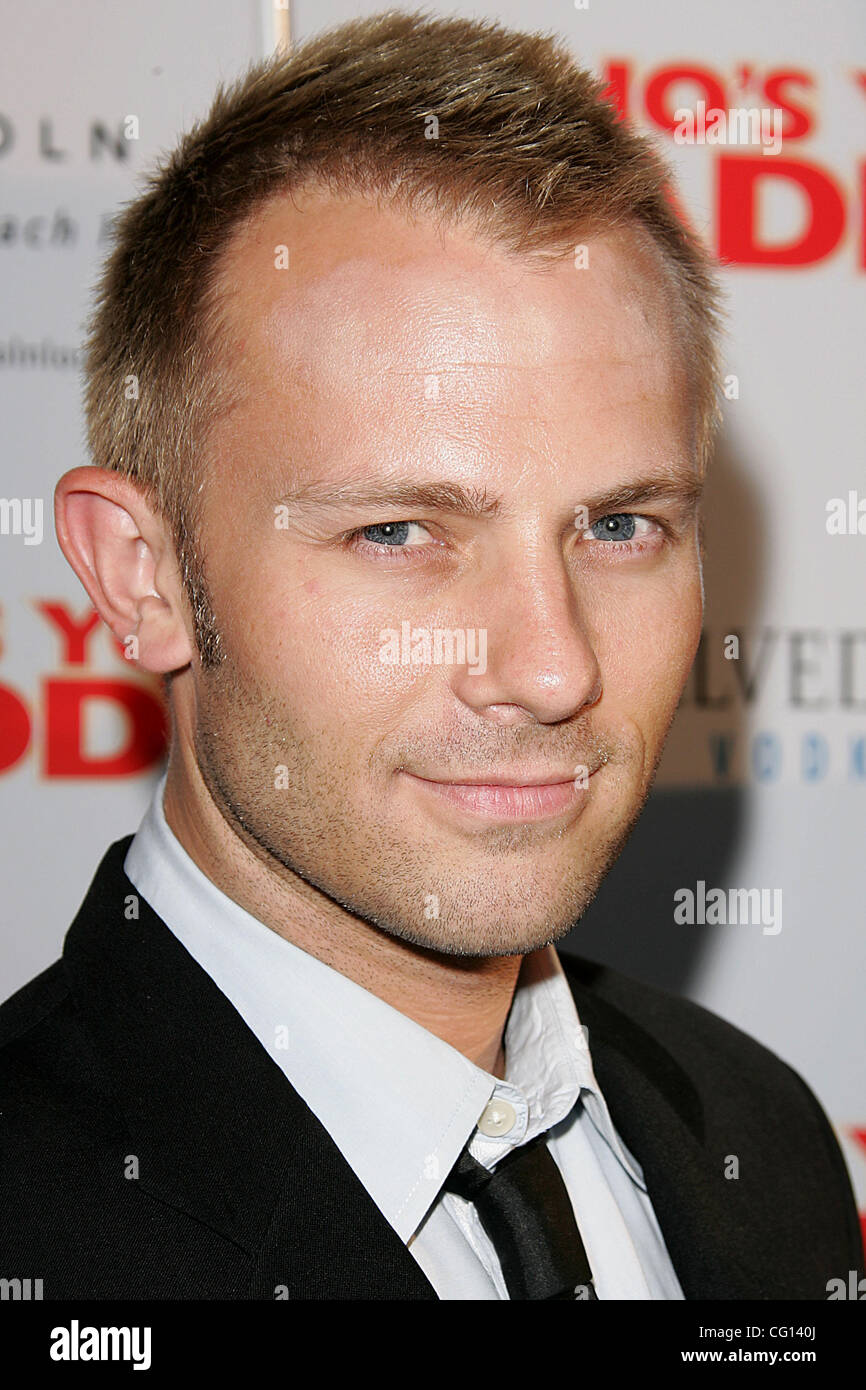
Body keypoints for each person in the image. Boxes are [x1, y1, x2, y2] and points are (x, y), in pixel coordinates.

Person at [0, 10, 860, 1301]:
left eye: (619, 525)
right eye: (397, 529)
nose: (551, 667)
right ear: (143, 574)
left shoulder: (754, 1130)